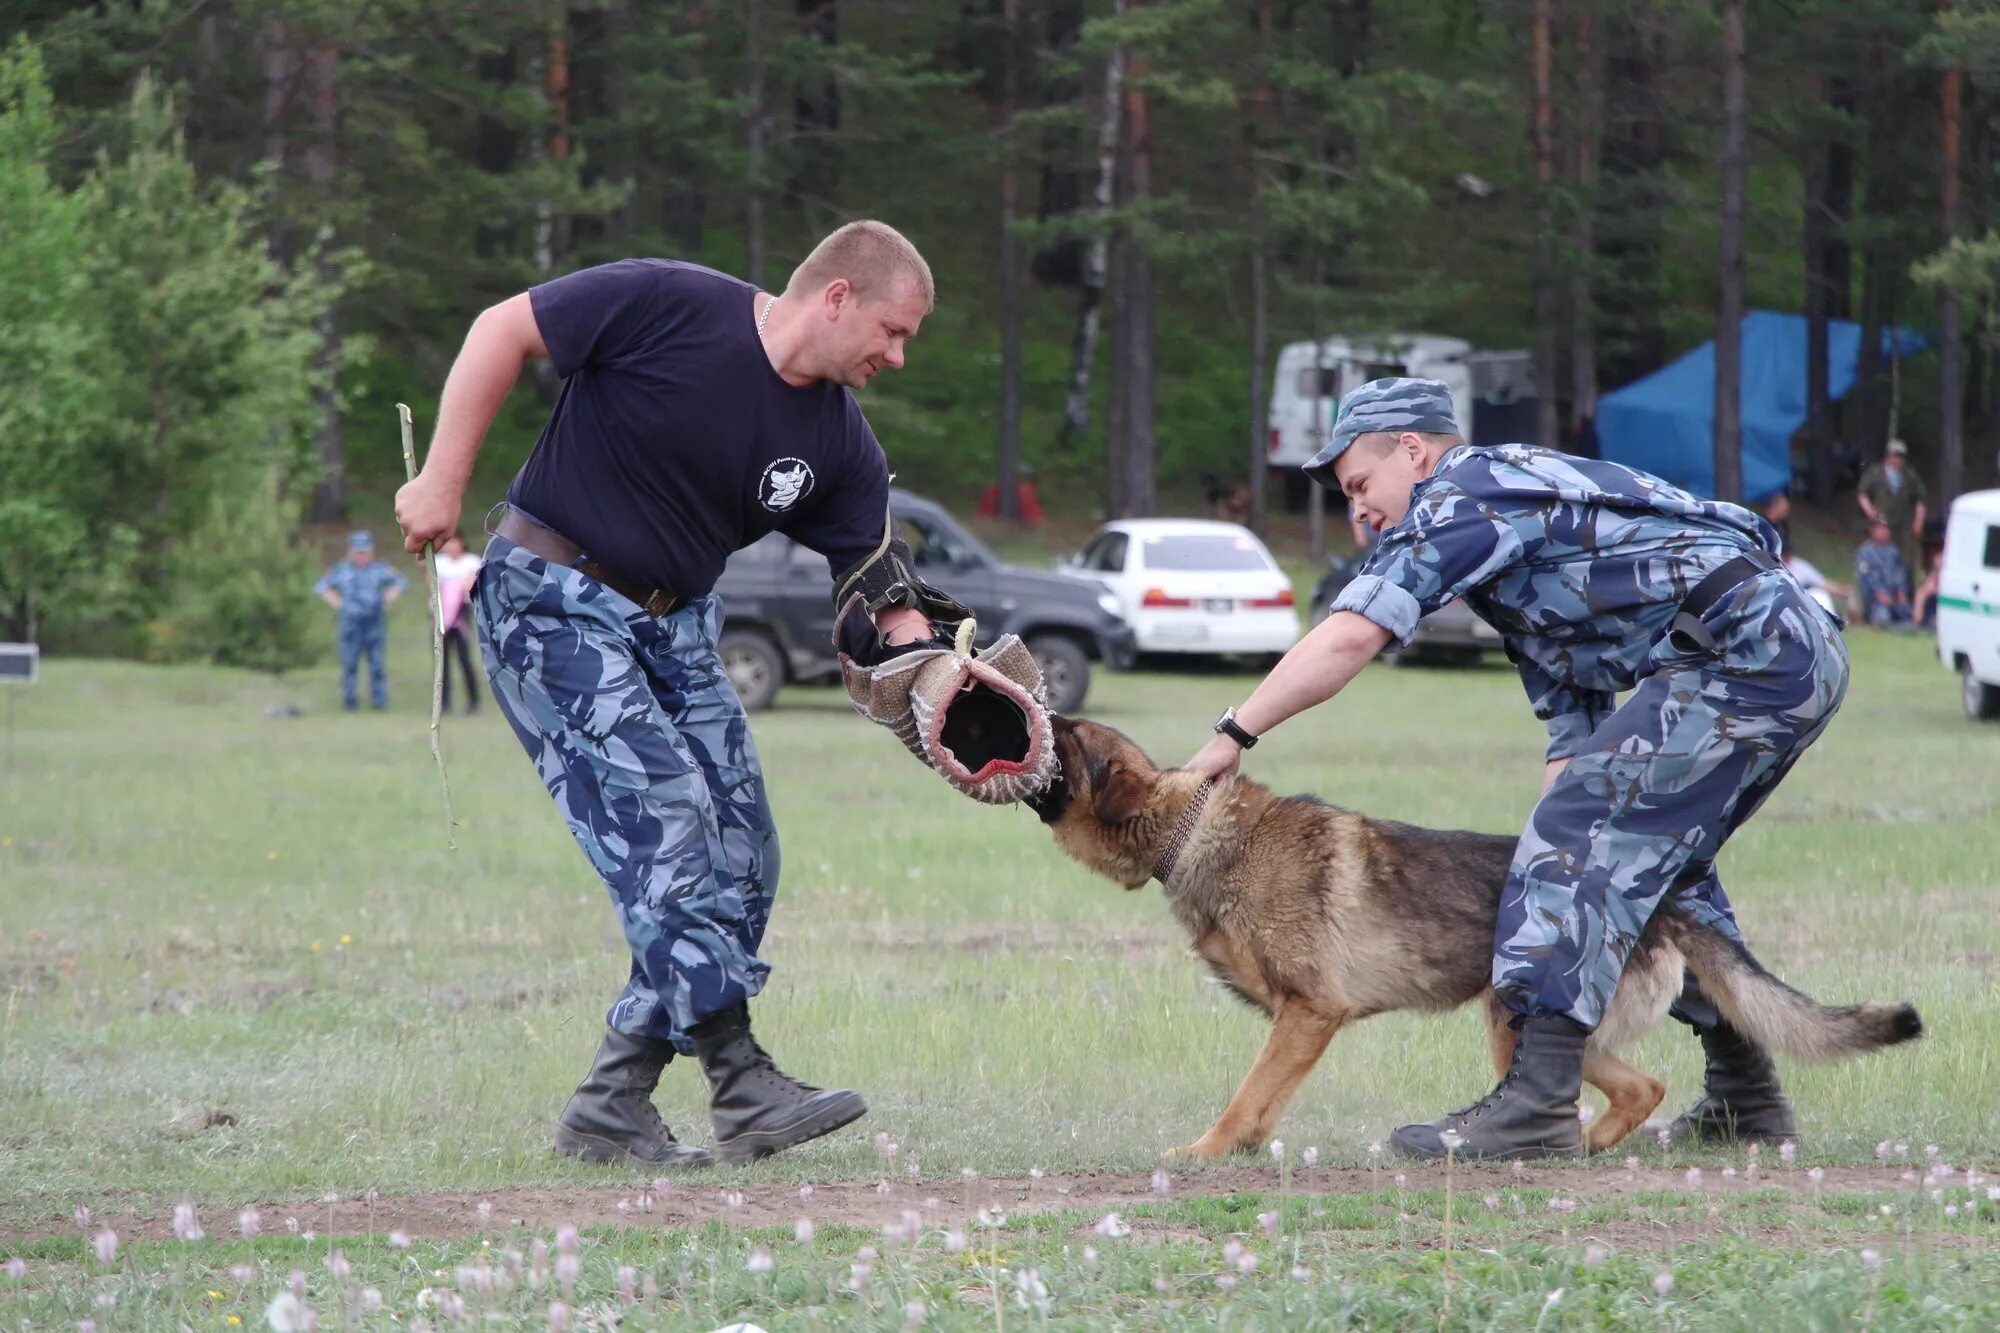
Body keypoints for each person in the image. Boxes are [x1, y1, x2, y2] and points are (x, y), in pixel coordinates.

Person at [1184, 378, 1849, 1162]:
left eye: (1360, 485)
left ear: (1413, 449)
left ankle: (1536, 1104)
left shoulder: (1464, 494)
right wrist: (1550, 864)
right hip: (1777, 649)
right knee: (1651, 867)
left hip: (1747, 647)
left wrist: (1234, 732)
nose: (1358, 510)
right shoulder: (1512, 563)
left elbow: (1350, 637)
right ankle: (1748, 1098)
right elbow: (1576, 731)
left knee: (1582, 836)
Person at [394, 221, 939, 1169]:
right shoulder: (669, 302)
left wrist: (940, 681)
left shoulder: (839, 444)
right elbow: (500, 329)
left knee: (745, 854)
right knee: (669, 821)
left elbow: (879, 585)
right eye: (893, 332)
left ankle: (614, 1099)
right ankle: (739, 1076)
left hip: (678, 625)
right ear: (838, 296)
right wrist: (443, 481)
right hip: (553, 599)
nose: (896, 356)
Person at [314, 530, 407, 711]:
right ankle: (349, 701)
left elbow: (401, 582)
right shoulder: (341, 570)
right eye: (358, 552)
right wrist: (337, 603)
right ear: (351, 551)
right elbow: (321, 586)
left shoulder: (380, 569)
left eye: (364, 552)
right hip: (350, 623)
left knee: (377, 664)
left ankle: (379, 702)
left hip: (374, 622)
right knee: (349, 664)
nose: (361, 555)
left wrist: (389, 597)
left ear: (371, 551)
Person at [1758, 491, 1853, 619]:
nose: (1787, 509)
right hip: (1774, 568)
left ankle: (1835, 605)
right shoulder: (1764, 528)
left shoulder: (1782, 526)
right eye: (1783, 506)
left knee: (1816, 585)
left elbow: (1819, 580)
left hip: (1788, 565)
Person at [1856, 439, 1927, 591]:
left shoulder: (1909, 476)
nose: (1897, 459)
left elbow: (1920, 499)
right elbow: (1862, 494)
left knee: (1906, 562)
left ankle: (1906, 597)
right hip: (1881, 525)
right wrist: (1870, 511)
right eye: (1895, 455)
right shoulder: (1875, 473)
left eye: (1900, 456)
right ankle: (1877, 596)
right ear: (1887, 456)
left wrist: (1918, 521)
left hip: (1903, 527)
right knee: (1877, 560)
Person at [432, 531, 483, 714]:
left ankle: (474, 701)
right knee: (441, 662)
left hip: (461, 614)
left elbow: (470, 586)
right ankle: (443, 703)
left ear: (462, 543)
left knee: (464, 659)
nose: (451, 546)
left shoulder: (471, 561)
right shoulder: (438, 562)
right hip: (441, 615)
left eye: (454, 542)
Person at [1855, 518, 1914, 631]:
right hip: (1875, 600)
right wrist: (1878, 594)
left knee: (1909, 616)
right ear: (1872, 531)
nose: (1883, 531)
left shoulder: (1894, 552)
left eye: (1885, 528)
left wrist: (1901, 591)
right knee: (1883, 619)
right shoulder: (1864, 552)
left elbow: (1900, 573)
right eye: (1880, 528)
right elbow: (1864, 578)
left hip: (1894, 597)